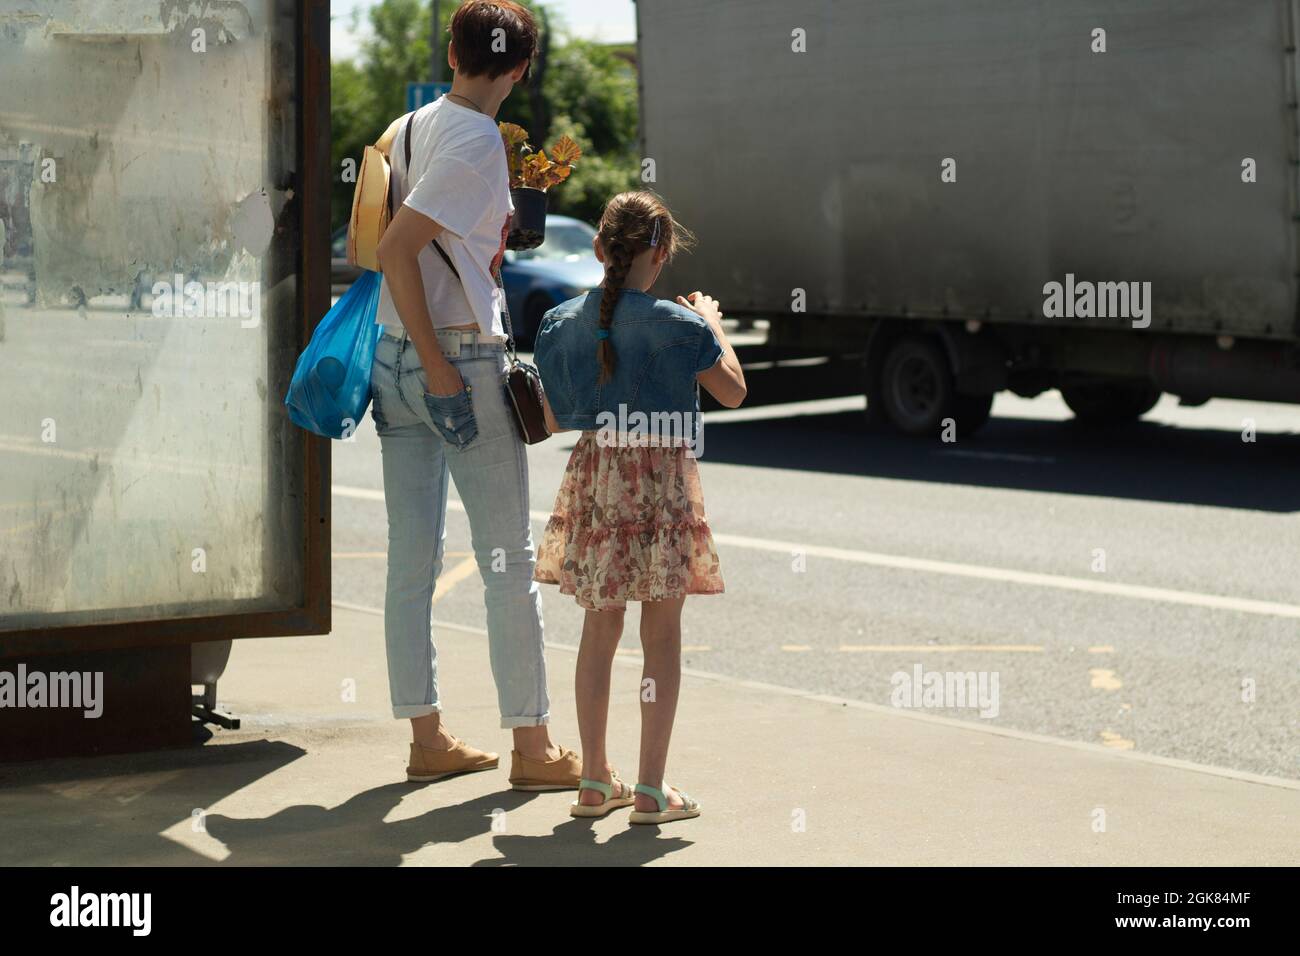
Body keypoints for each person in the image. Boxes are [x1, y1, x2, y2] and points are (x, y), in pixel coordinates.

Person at [371, 0, 580, 791]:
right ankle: (533, 750)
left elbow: (394, 247)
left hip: (395, 357)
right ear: (521, 70)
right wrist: (442, 365)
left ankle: (427, 737)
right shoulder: (480, 138)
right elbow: (396, 249)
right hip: (449, 356)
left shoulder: (413, 124)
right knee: (507, 562)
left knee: (409, 561)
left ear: (456, 54)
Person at [532, 191, 747, 823]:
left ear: (599, 249)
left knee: (599, 629)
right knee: (661, 638)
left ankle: (595, 781)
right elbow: (732, 392)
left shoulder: (556, 322)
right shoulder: (680, 326)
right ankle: (652, 789)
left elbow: (547, 418)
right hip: (660, 480)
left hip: (598, 475)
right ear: (660, 253)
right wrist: (712, 323)